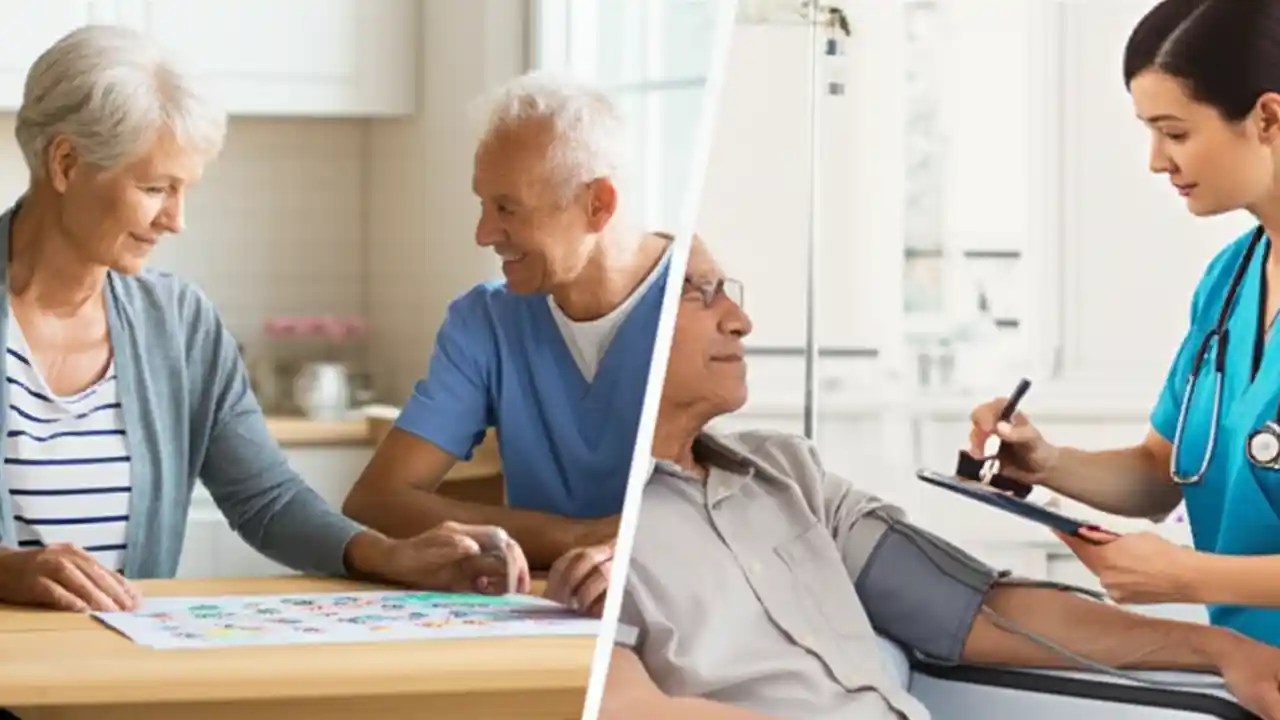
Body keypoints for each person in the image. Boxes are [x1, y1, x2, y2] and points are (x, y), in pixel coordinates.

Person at [601, 239, 1280, 720]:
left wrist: (1218, 649)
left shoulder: (788, 477)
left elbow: (974, 609)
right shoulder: (599, 539)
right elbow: (625, 709)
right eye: (699, 294)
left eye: (729, 291)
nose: (740, 320)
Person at [0, 25, 529, 617]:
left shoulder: (177, 323)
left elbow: (266, 499)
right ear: (66, 163)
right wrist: (7, 571)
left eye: (184, 190)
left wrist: (388, 555)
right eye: (155, 188)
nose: (176, 219)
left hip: (115, 663)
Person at [968, 0, 1280, 648]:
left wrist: (1189, 576)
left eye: (1175, 133)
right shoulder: (1230, 280)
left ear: (1267, 118)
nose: (1157, 161)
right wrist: (1048, 464)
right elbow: (1161, 471)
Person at [342, 72, 672, 612]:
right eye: (483, 205)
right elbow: (376, 500)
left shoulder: (696, 308)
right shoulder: (484, 323)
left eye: (507, 208)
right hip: (538, 617)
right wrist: (578, 537)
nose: (483, 233)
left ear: (597, 205)